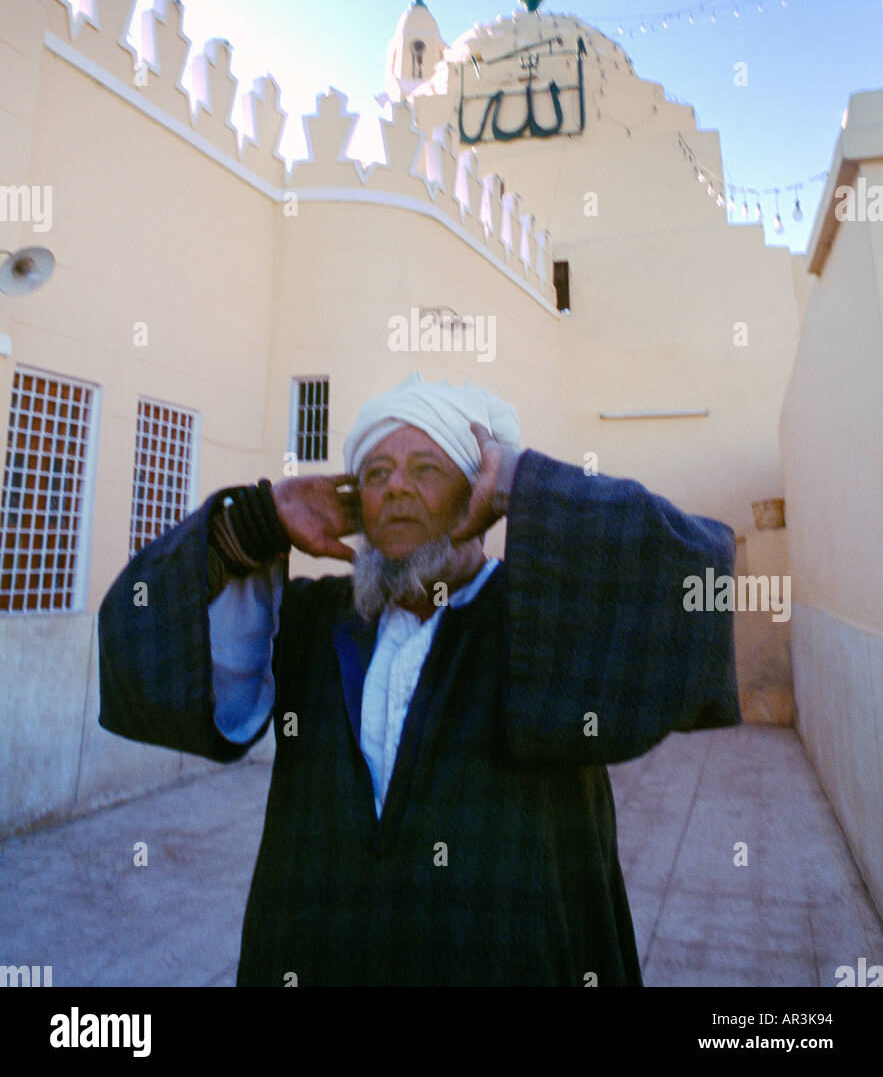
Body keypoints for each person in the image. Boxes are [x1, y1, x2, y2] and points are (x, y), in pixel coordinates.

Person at [98, 371, 740, 987]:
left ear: (480, 492)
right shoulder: (314, 622)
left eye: (427, 470)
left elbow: (698, 584)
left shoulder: (547, 618)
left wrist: (529, 483)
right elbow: (137, 649)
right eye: (375, 474)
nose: (396, 489)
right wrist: (256, 521)